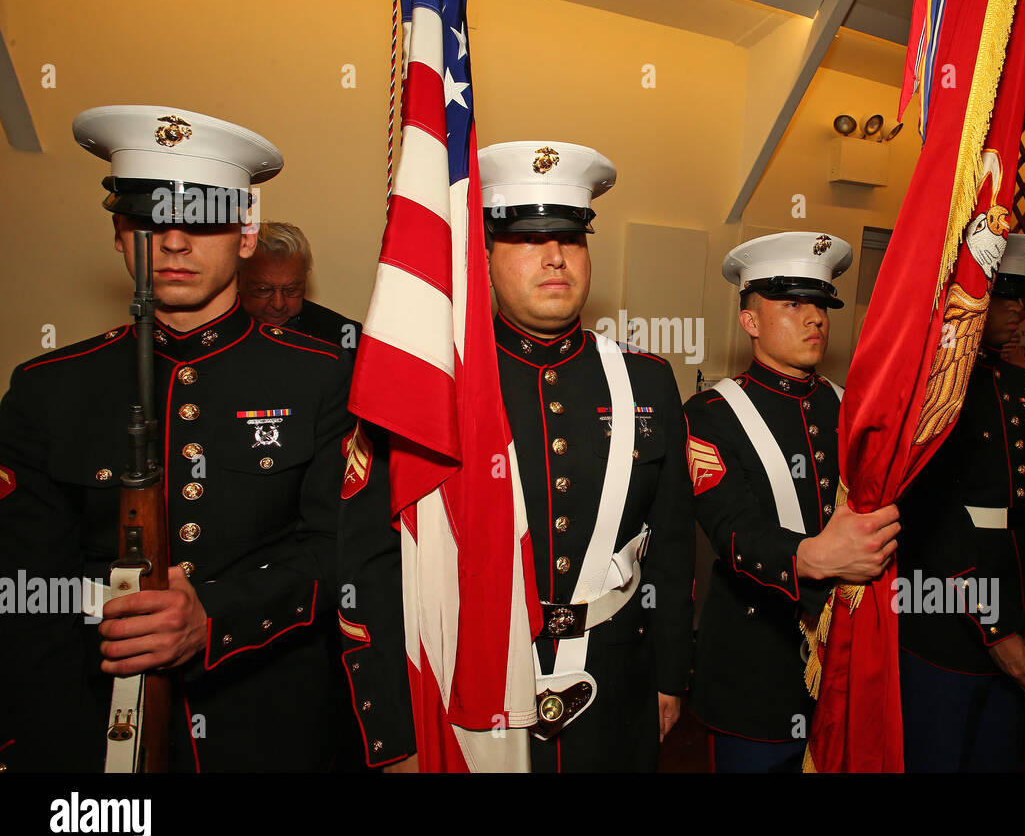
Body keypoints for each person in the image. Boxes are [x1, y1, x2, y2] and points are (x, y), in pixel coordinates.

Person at [0, 106, 354, 771]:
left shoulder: (323, 377)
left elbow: (341, 549)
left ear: (245, 237)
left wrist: (214, 616)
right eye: (149, 220)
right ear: (118, 234)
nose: (174, 243)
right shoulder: (48, 388)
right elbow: (18, 585)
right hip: (87, 724)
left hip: (274, 724)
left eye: (203, 220)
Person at [346, 141, 696, 773]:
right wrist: (390, 728)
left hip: (617, 685)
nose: (555, 257)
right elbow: (372, 566)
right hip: (476, 682)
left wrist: (671, 676)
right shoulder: (436, 387)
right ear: (483, 257)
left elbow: (670, 546)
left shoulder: (648, 380)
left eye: (570, 237)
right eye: (527, 238)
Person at [684, 232, 902, 773]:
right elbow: (731, 529)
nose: (816, 319)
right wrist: (814, 558)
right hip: (754, 662)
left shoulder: (847, 405)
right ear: (751, 321)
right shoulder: (711, 412)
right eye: (793, 303)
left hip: (847, 656)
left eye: (822, 305)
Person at [895, 234, 1025, 771]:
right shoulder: (933, 391)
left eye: (1020, 298)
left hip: (1020, 597)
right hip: (947, 611)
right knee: (939, 753)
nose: (1017, 311)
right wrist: (994, 627)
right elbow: (928, 521)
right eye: (1002, 299)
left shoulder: (1018, 383)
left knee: (999, 755)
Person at [238, 220, 358, 348]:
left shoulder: (343, 333)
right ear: (237, 280)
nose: (278, 304)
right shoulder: (216, 328)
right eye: (263, 290)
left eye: (292, 290)